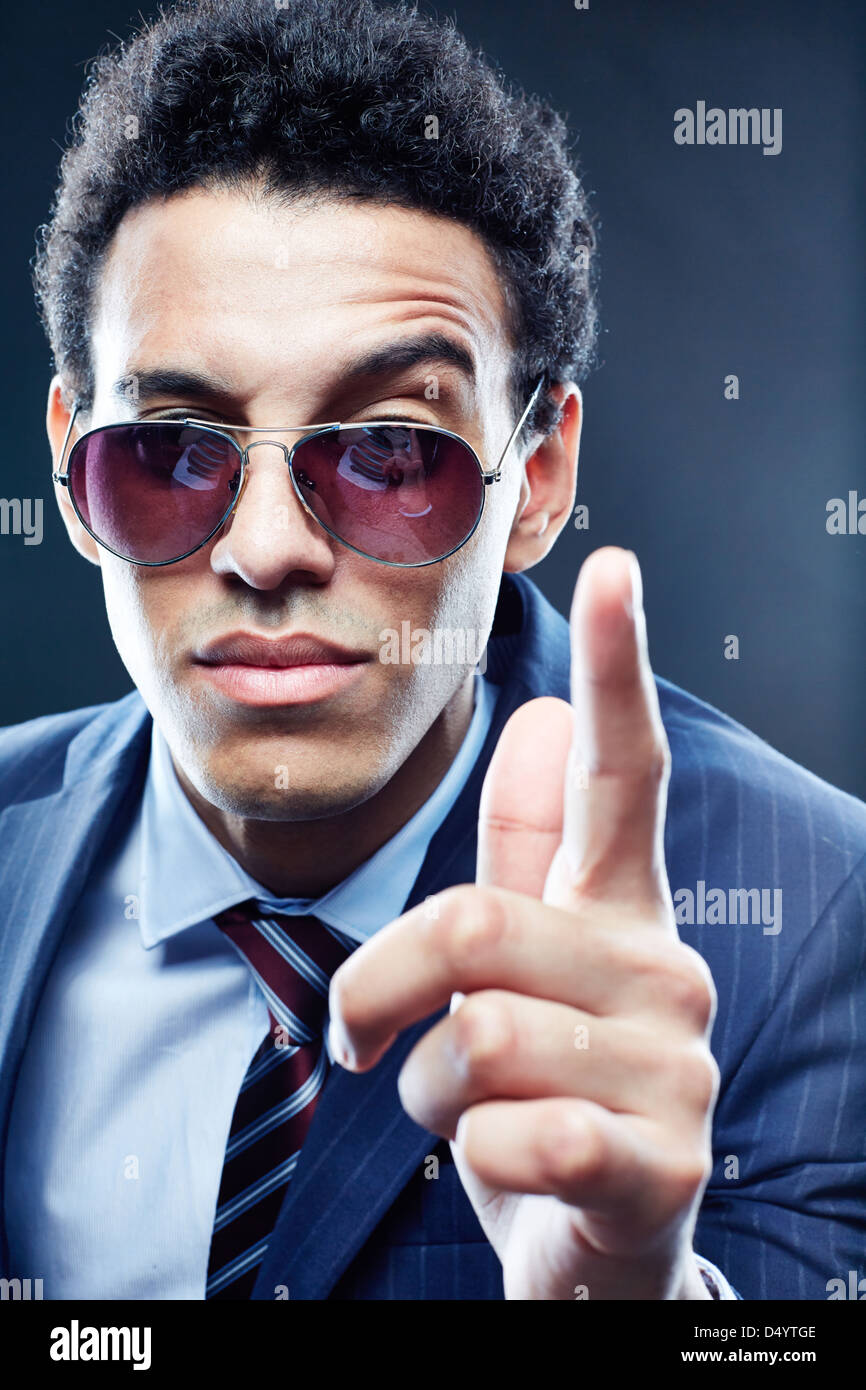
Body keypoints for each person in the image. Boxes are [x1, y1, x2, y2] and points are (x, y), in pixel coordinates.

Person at [1, 0, 863, 1302]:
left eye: (390, 449)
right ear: (70, 468)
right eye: (174, 447)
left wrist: (630, 1298)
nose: (269, 548)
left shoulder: (812, 915)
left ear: (538, 473)